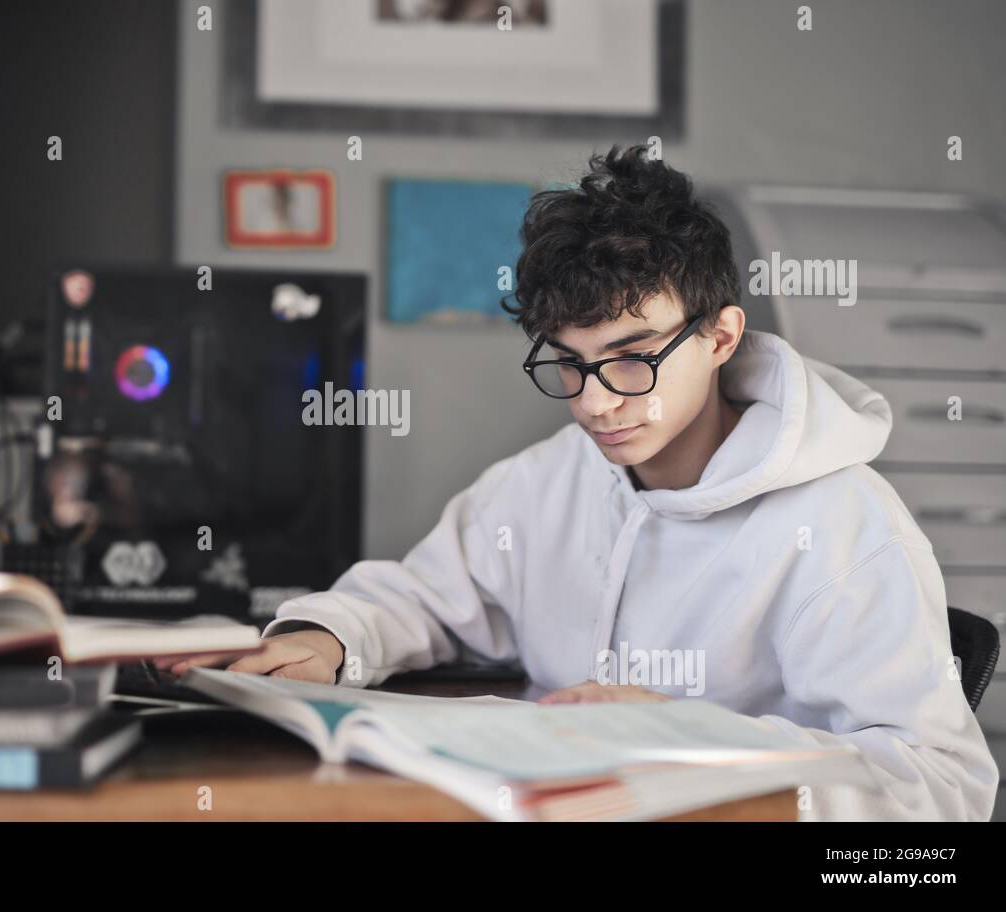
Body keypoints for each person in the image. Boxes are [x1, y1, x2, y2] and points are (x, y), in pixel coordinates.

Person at [157, 145, 998, 821]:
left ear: (720, 336)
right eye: (569, 363)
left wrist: (684, 738)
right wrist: (331, 639)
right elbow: (422, 593)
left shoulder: (844, 525)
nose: (595, 405)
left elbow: (944, 797)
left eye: (632, 359)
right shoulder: (551, 479)